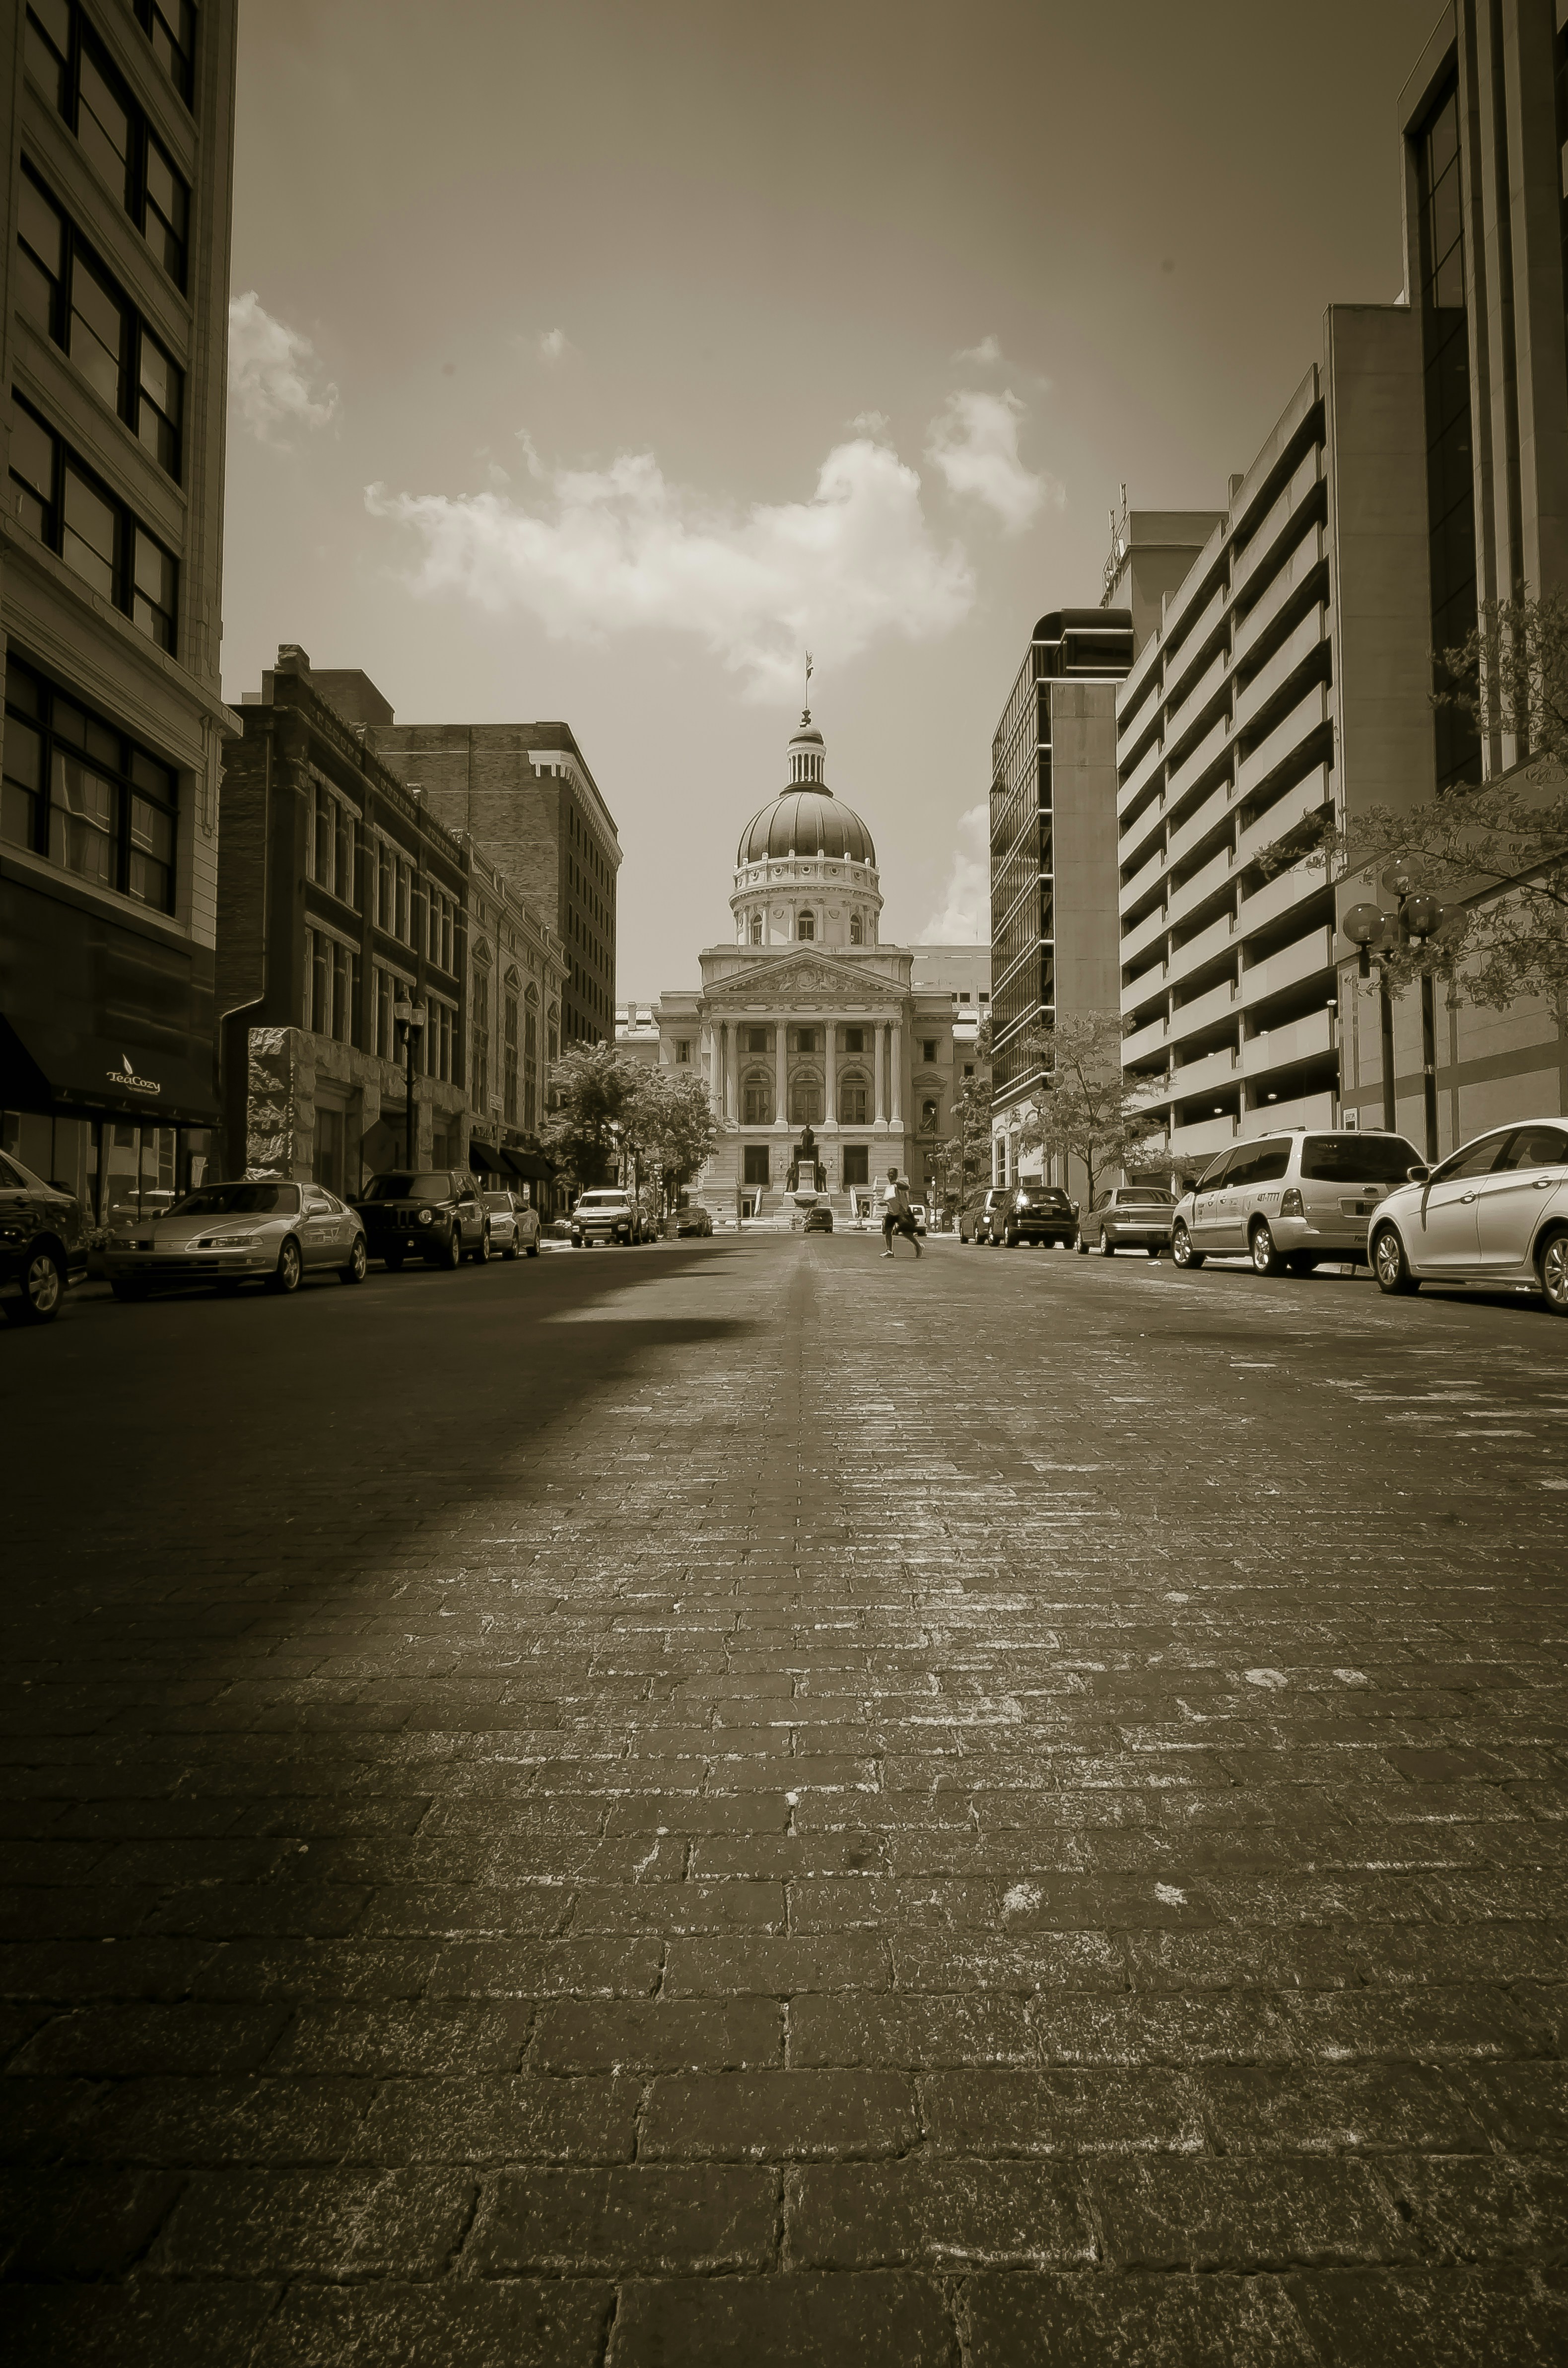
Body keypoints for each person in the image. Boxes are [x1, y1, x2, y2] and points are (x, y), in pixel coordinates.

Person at [879, 1167, 921, 1258]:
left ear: (896, 1176)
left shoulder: (899, 1186)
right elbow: (891, 1201)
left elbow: (907, 1187)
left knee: (906, 1232)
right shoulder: (889, 1188)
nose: (891, 1177)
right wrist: (883, 1203)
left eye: (892, 1175)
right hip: (891, 1212)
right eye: (889, 1175)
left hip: (902, 1212)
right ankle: (889, 1251)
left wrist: (897, 1182)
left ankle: (918, 1246)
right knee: (888, 1230)